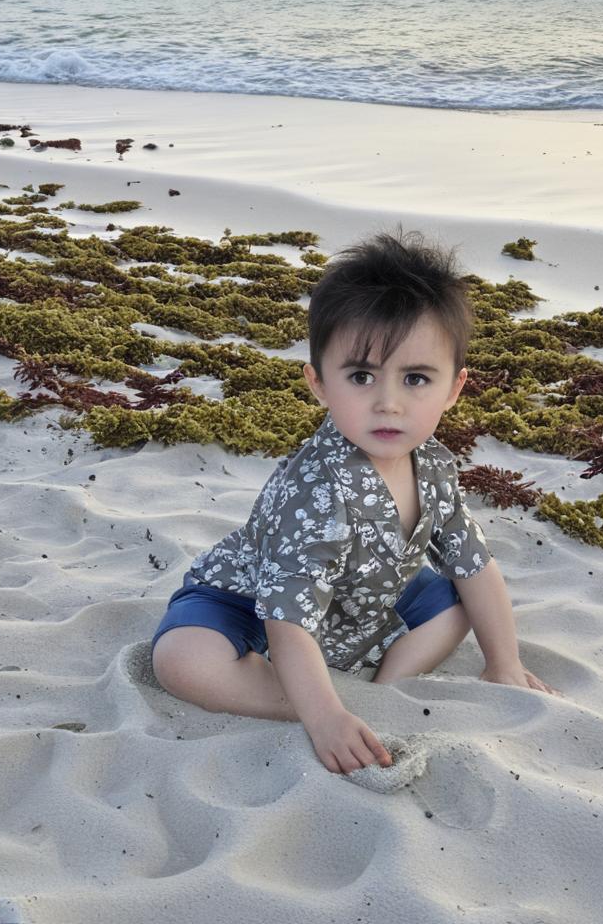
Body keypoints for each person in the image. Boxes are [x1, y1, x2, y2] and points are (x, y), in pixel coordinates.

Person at [152, 230, 556, 775]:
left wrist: (503, 663)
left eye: (416, 378)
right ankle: (327, 701)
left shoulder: (433, 465)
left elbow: (474, 563)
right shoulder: (316, 489)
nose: (388, 403)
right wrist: (324, 721)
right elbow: (285, 618)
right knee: (181, 661)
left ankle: (378, 686)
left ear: (454, 388)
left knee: (458, 602)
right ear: (319, 383)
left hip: (362, 603)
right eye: (361, 376)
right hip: (250, 607)